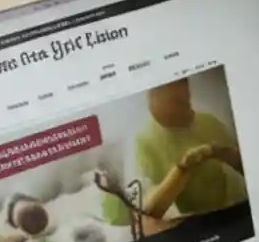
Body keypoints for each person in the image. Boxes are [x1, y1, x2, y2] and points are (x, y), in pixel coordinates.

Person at [104, 77, 247, 228]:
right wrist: (183, 168)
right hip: (192, 223)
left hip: (232, 209)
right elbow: (149, 211)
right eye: (178, 103)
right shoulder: (144, 142)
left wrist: (218, 152)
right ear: (154, 100)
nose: (190, 109)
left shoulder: (208, 122)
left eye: (188, 99)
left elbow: (243, 164)